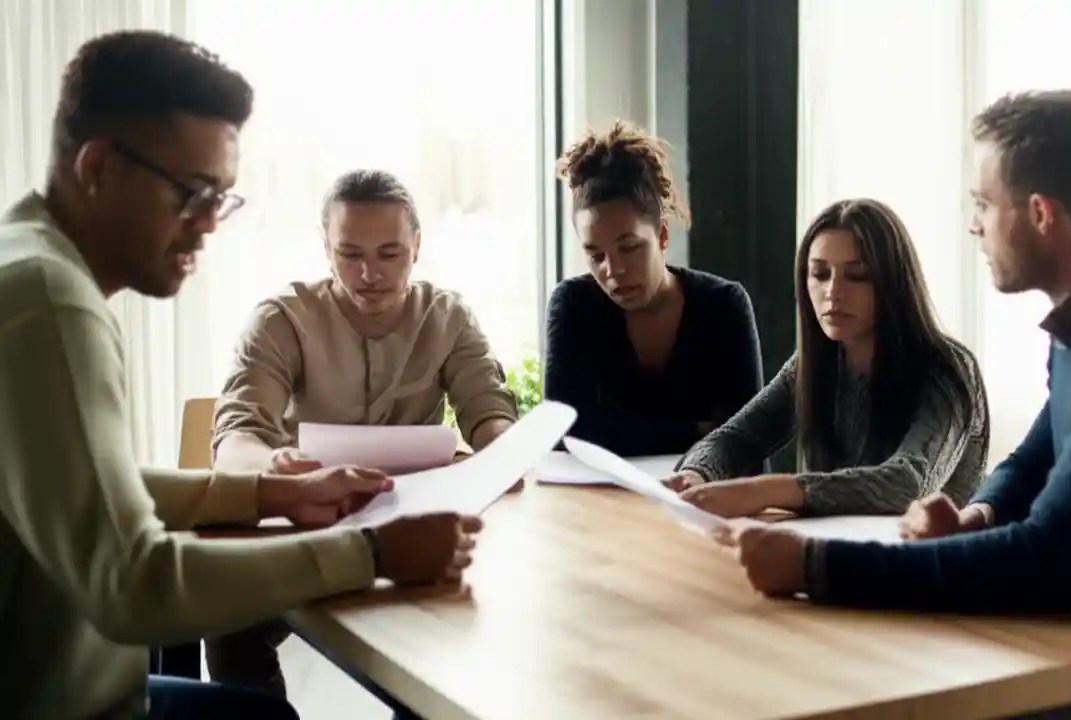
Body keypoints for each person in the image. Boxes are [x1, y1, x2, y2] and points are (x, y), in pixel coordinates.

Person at [732, 90, 1071, 718]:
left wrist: (815, 565)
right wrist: (979, 515)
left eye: (984, 205)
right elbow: (1037, 459)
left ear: (1041, 213)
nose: (975, 225)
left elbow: (1050, 563)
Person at [0, 30, 481, 720]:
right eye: (191, 194)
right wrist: (368, 551)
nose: (207, 226)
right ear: (99, 166)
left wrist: (268, 492)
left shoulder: (26, 264)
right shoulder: (51, 305)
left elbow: (94, 492)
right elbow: (131, 583)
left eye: (220, 198)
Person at [206, 169, 518, 694]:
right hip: (307, 525)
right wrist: (273, 469)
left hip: (418, 532)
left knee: (479, 636)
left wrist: (502, 451)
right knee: (229, 625)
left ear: (417, 247)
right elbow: (237, 433)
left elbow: (488, 412)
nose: (369, 273)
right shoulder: (282, 319)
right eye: (350, 254)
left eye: (389, 254)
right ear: (325, 248)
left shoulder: (449, 318)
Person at [666, 199, 988, 518]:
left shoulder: (949, 369)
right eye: (819, 274)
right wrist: (697, 475)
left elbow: (908, 484)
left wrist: (763, 491)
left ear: (893, 282)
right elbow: (738, 437)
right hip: (841, 554)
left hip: (935, 562)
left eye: (857, 275)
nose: (833, 292)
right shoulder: (816, 362)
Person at [544, 120, 763, 457]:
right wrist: (696, 430)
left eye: (629, 247)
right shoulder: (574, 306)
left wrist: (611, 432)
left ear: (662, 236)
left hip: (705, 498)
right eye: (595, 254)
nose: (613, 270)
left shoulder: (724, 306)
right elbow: (563, 437)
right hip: (599, 501)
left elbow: (744, 441)